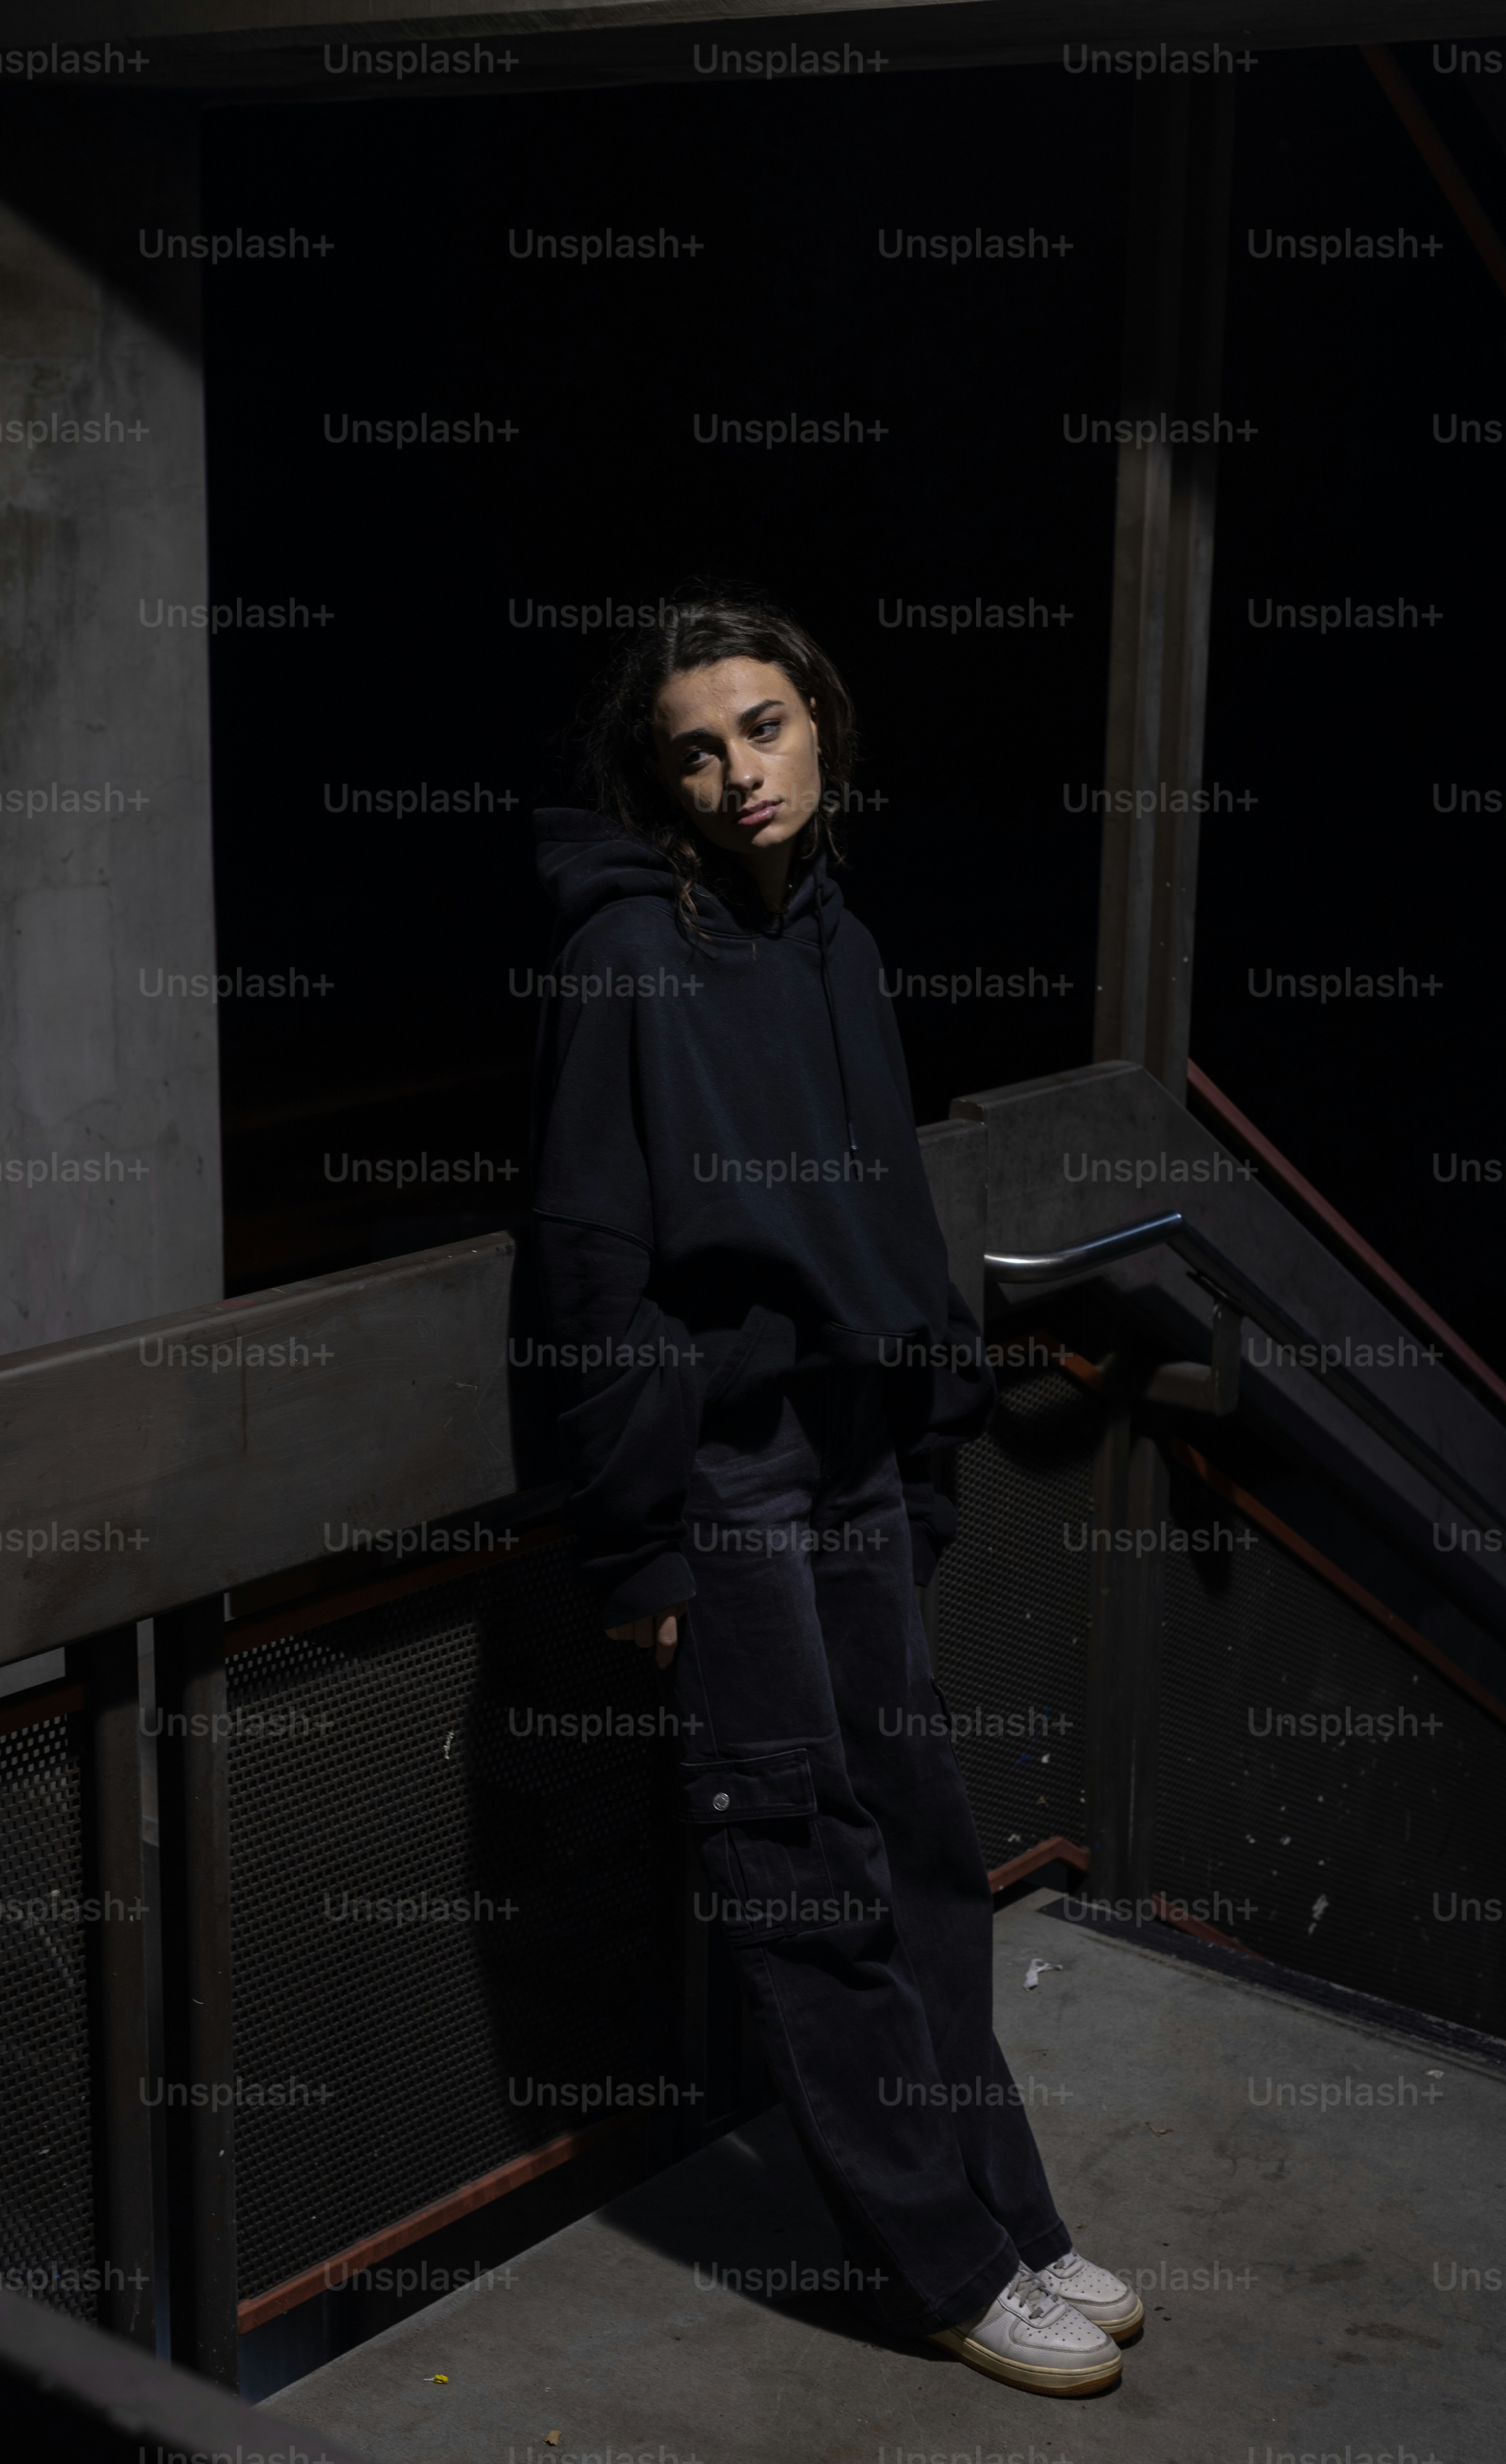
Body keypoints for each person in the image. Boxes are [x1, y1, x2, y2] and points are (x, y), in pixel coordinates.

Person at [512, 592, 1141, 2395]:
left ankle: (1010, 2215)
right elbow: (585, 1263)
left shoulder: (835, 937)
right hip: (727, 1476)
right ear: (657, 780)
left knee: (924, 1855)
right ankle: (942, 2265)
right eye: (696, 751)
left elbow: (884, 1208)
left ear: (822, 728)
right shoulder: (623, 958)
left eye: (765, 727)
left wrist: (923, 1437)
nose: (739, 772)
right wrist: (637, 1540)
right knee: (804, 1876)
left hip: (857, 1448)